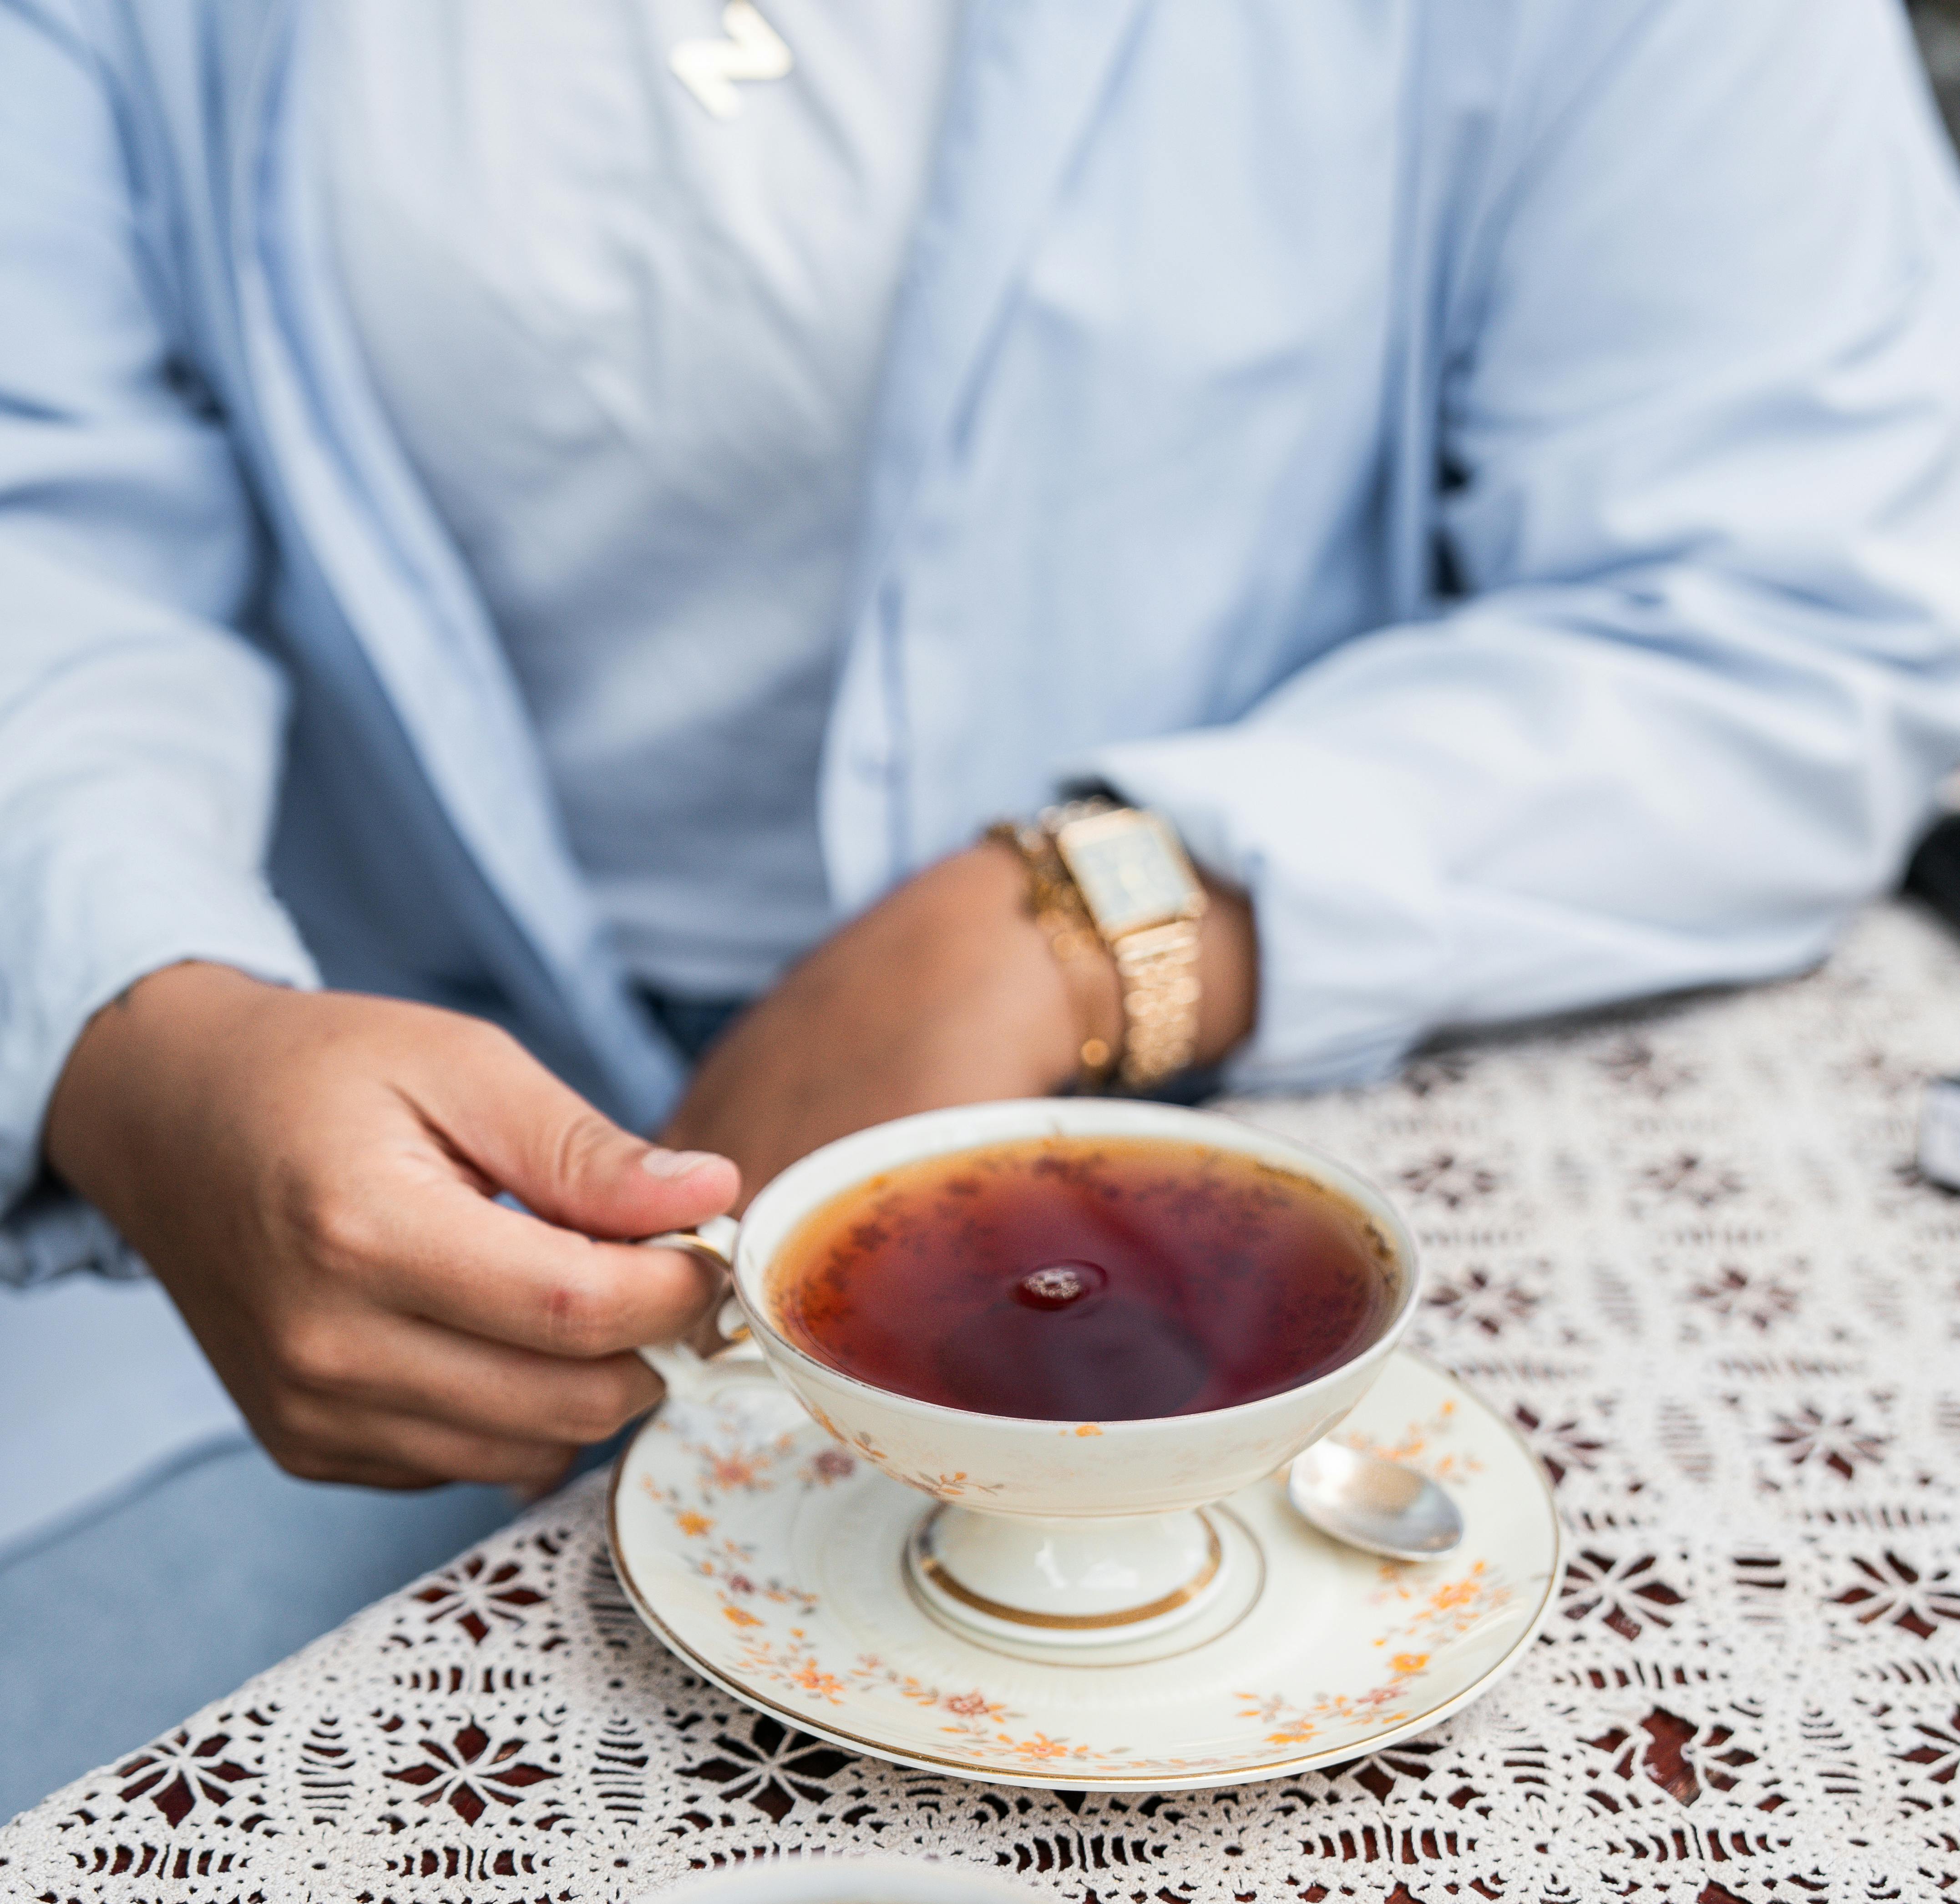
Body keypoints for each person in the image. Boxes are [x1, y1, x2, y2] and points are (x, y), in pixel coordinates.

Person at [5, 0, 1960, 1808]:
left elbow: (1795, 615)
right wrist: (132, 1016)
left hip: (1265, 1090)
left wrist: (1094, 915)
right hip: (278, 1128)